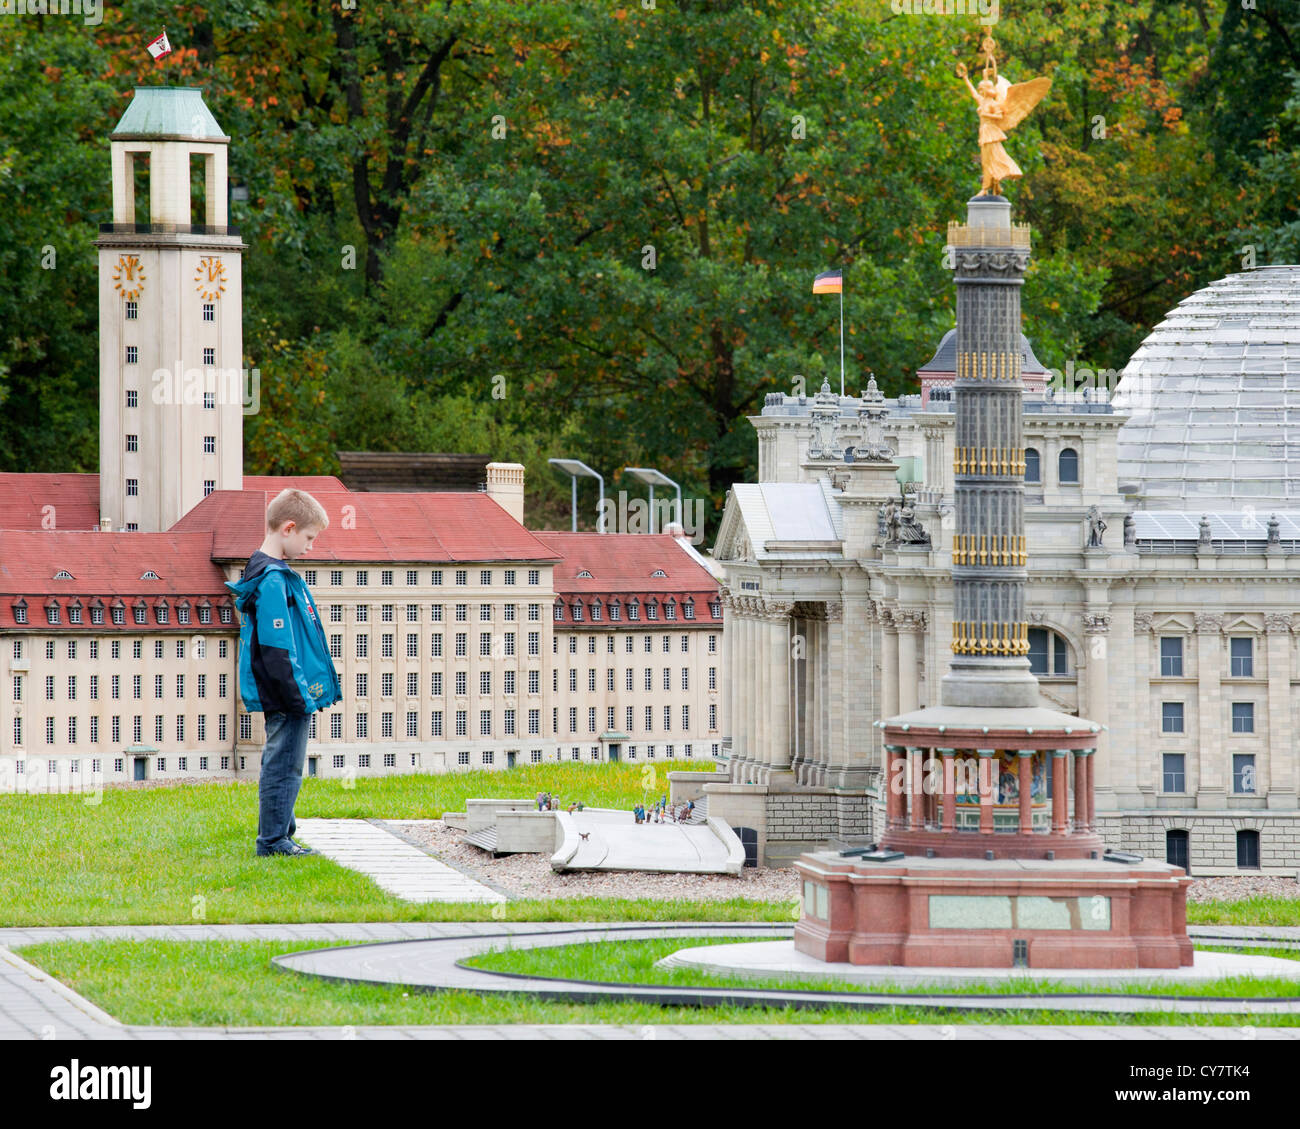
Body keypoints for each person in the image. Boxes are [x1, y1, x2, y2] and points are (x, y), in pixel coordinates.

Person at [226, 489, 341, 858]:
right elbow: (278, 648)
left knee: (285, 763)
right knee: (284, 767)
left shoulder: (265, 571)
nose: (311, 546)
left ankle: (282, 835)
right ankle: (273, 842)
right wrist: (299, 697)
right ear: (288, 529)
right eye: (309, 538)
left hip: (283, 690)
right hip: (285, 693)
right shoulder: (273, 580)